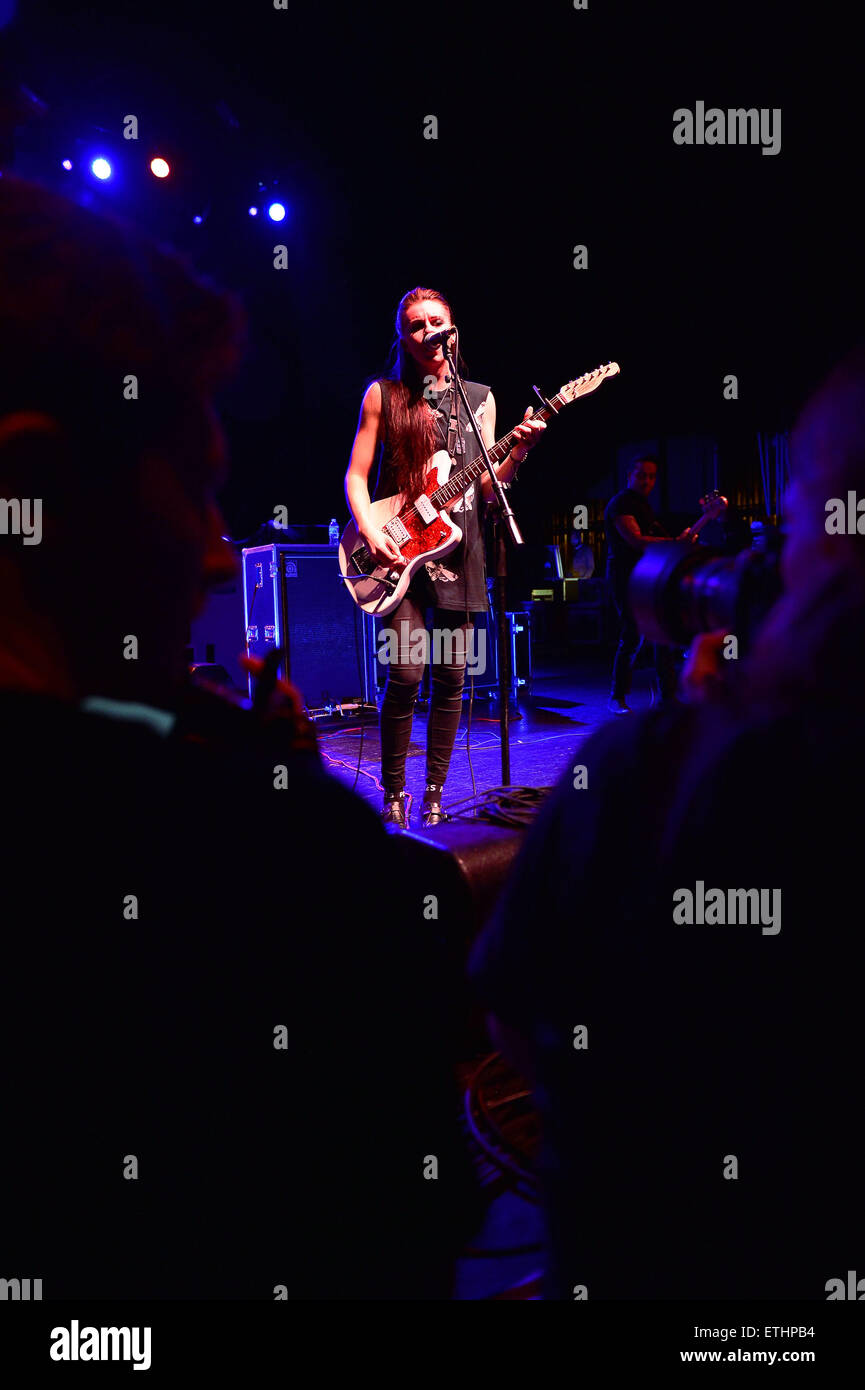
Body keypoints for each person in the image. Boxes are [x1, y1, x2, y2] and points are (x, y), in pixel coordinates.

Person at [0, 175, 479, 1299]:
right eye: (196, 490)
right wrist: (299, 821)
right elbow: (409, 1229)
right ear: (35, 484)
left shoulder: (473, 402)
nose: (221, 558)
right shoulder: (254, 850)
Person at [468, 342, 865, 1299]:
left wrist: (703, 743)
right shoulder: (618, 512)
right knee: (626, 670)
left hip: (657, 1265)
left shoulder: (646, 774)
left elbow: (514, 1008)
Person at [344, 286, 545, 828]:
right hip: (397, 546)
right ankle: (393, 792)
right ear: (404, 338)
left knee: (452, 676)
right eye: (415, 324)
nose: (428, 330)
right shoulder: (383, 395)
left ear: (453, 330)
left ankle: (433, 795)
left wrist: (518, 450)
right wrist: (369, 528)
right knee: (407, 673)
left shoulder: (478, 397)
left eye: (437, 321)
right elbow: (357, 476)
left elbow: (485, 487)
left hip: (458, 547)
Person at [604, 455, 694, 713]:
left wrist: (680, 540)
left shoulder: (644, 506)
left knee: (661, 632)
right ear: (629, 475)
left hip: (647, 576)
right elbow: (636, 540)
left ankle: (669, 697)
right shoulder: (621, 503)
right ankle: (617, 697)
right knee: (632, 634)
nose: (647, 481)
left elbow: (658, 540)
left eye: (652, 476)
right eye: (642, 475)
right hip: (625, 577)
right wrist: (673, 542)